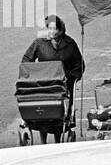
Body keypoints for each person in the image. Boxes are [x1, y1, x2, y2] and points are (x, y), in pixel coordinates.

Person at [21, 14, 85, 144]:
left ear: (61, 30)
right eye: (49, 28)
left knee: (59, 112)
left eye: (55, 29)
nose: (52, 32)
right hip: (44, 84)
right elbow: (26, 60)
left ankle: (58, 141)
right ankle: (43, 141)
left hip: (63, 85)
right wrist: (32, 73)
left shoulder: (70, 44)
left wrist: (73, 77)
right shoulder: (39, 43)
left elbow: (79, 64)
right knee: (43, 110)